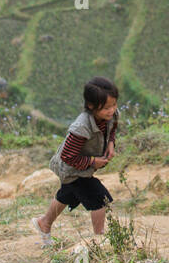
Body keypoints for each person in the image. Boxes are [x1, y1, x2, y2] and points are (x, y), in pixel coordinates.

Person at [34, 77, 118, 246]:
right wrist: (92, 161)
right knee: (99, 200)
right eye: (107, 108)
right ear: (91, 107)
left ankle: (44, 223)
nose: (112, 111)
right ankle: (99, 240)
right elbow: (68, 156)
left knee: (67, 195)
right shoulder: (81, 128)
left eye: (114, 105)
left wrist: (110, 143)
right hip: (72, 169)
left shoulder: (111, 115)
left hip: (82, 167)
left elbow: (113, 127)